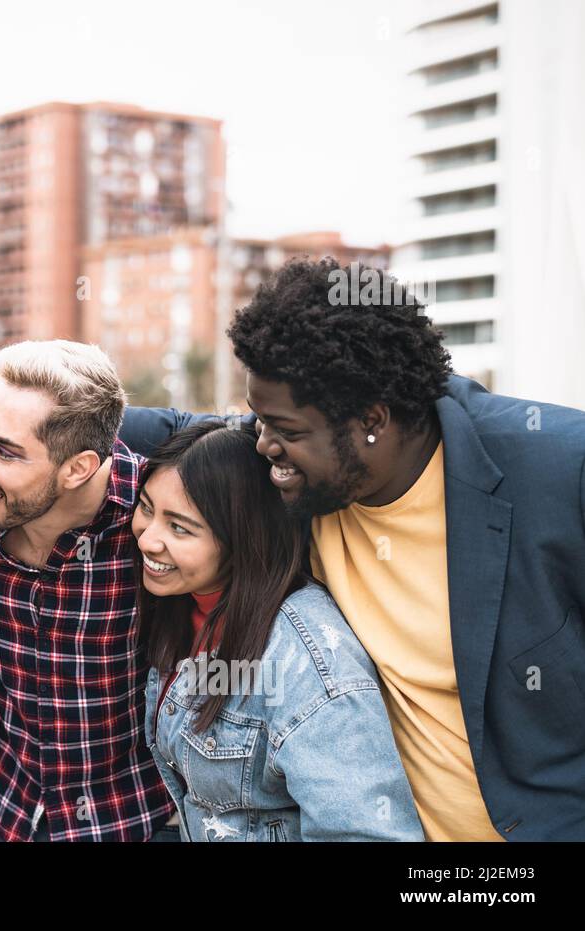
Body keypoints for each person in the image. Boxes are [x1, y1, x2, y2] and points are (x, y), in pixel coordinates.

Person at [121, 256, 585, 841]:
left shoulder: (558, 471)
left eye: (283, 430)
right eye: (257, 420)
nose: (261, 445)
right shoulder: (302, 465)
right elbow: (161, 431)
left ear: (372, 421)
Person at [134, 420, 422, 841]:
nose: (148, 539)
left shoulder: (306, 663)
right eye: (145, 507)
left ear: (241, 537)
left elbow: (365, 832)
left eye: (180, 527)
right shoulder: (182, 605)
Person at [0, 340, 176, 841]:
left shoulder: (158, 515)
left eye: (4, 450)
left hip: (136, 817)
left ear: (78, 468)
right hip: (13, 814)